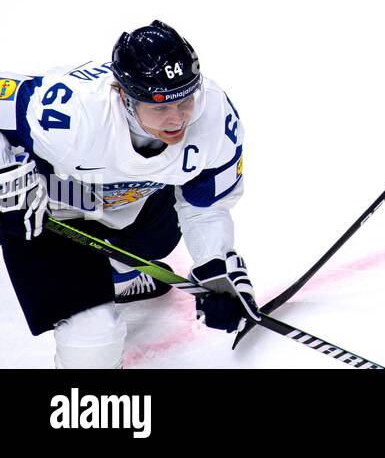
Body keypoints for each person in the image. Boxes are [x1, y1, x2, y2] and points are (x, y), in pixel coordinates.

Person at [0, 21, 256, 367]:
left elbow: (206, 207)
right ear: (123, 94)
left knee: (163, 228)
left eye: (185, 101)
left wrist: (216, 267)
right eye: (160, 107)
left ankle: (116, 275)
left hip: (131, 211)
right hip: (48, 217)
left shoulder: (214, 116)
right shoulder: (72, 116)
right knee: (93, 339)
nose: (177, 118)